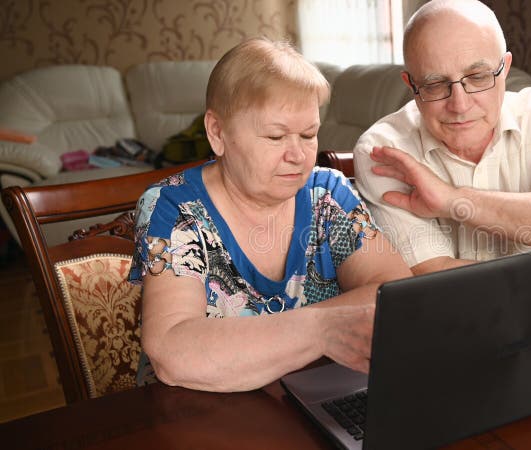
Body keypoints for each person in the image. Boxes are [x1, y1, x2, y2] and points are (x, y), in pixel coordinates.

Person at [128, 37, 411, 392]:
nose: (298, 156)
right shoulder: (173, 207)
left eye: (308, 135)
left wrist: (283, 338)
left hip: (310, 396)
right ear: (217, 132)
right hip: (198, 412)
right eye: (276, 137)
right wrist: (321, 330)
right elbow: (173, 352)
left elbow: (397, 297)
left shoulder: (327, 193)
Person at [354, 0, 531, 276]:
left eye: (478, 77)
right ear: (411, 85)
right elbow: (434, 278)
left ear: (505, 68)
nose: (460, 105)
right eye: (434, 84)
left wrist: (454, 201)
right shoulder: (383, 150)